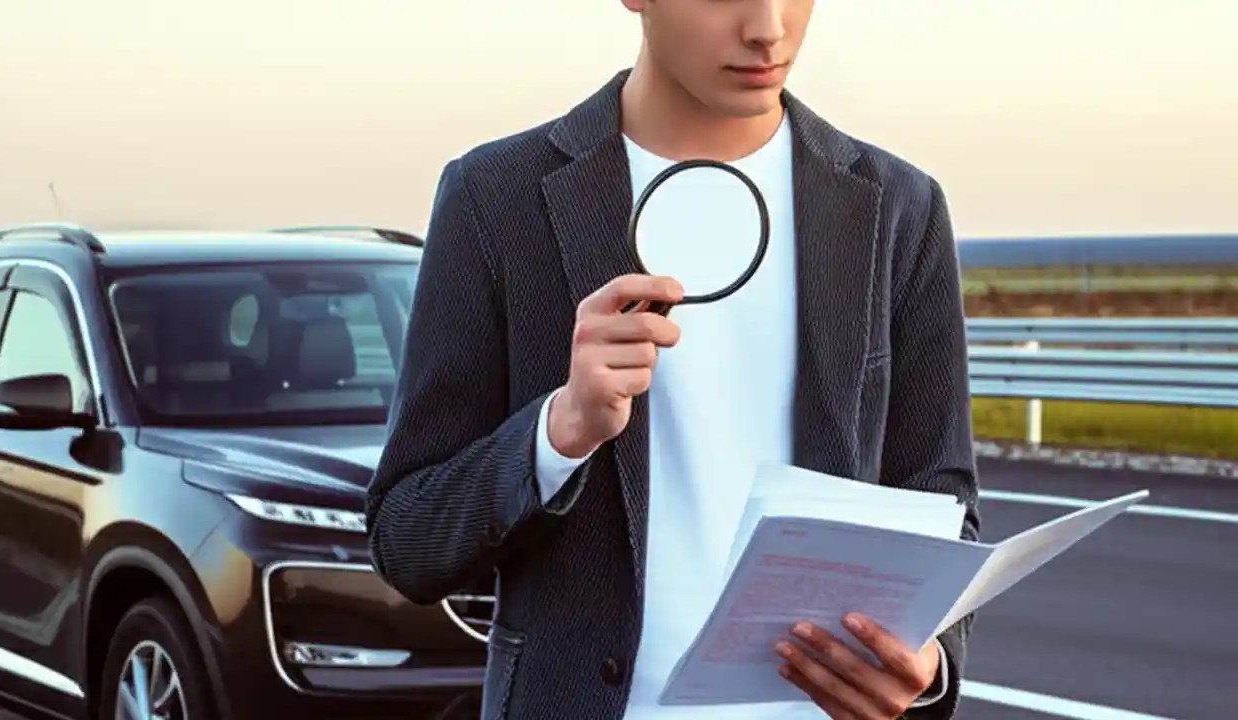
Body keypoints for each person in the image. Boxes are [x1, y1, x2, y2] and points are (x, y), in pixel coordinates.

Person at [366, 0, 980, 718]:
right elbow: (406, 538)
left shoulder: (900, 209)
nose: (767, 29)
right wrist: (558, 432)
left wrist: (927, 663)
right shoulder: (495, 198)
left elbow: (945, 513)